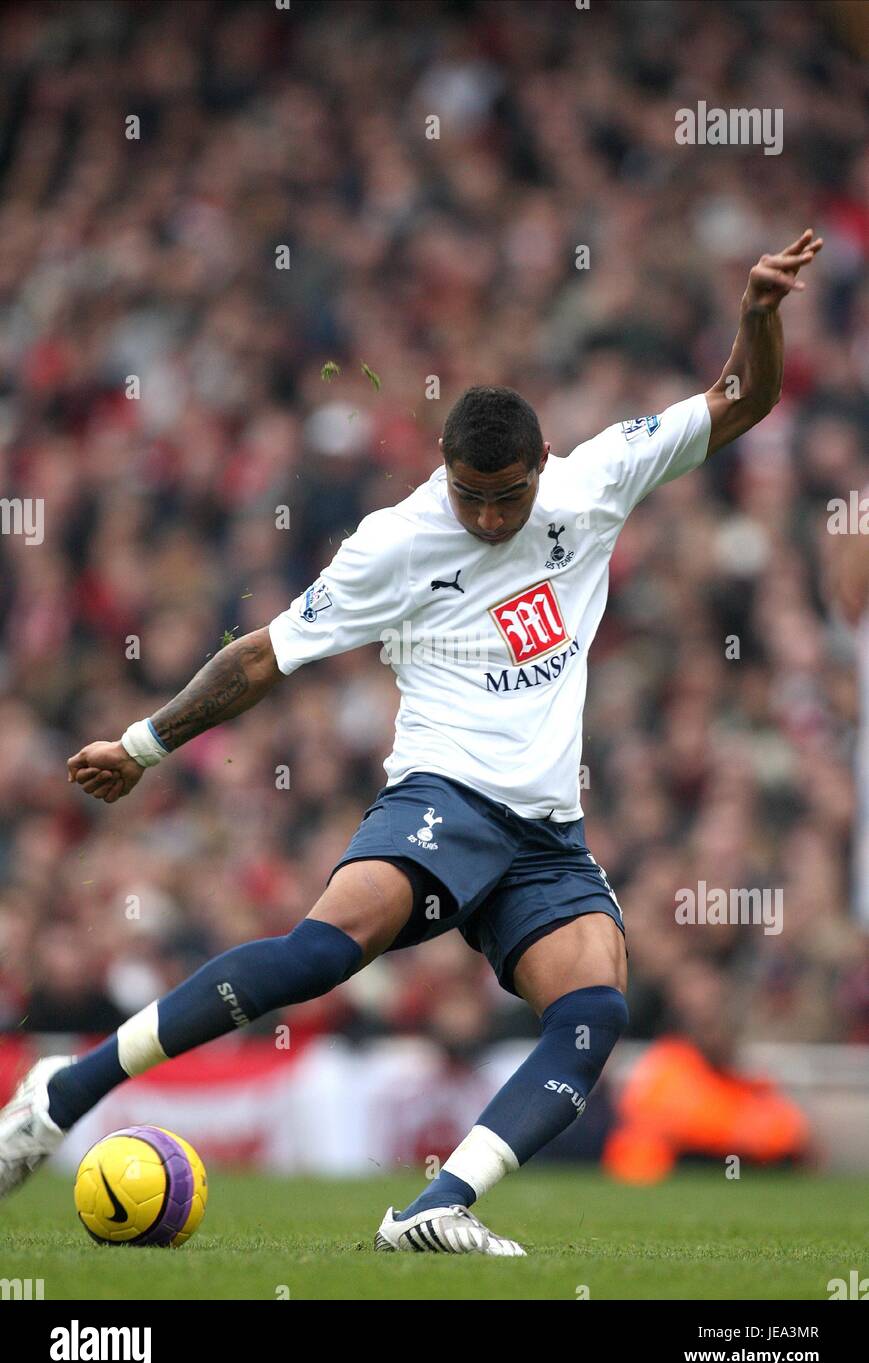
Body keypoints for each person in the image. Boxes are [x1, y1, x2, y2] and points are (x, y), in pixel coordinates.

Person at [0, 231, 823, 1256]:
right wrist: (142, 743)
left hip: (546, 833)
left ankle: (438, 1204)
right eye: (468, 493)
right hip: (443, 793)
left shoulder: (593, 483)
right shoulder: (391, 544)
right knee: (316, 956)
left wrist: (754, 315)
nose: (485, 514)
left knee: (594, 1005)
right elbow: (260, 657)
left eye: (505, 494)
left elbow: (738, 400)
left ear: (538, 469)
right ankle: (65, 1087)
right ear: (443, 468)